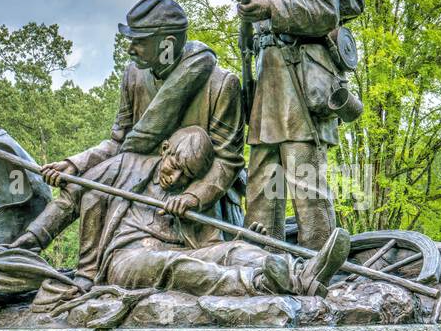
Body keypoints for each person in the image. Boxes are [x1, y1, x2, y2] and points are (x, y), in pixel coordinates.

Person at [11, 0, 245, 251]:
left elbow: (227, 160)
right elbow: (119, 142)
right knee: (86, 182)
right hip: (138, 174)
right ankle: (28, 245)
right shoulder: (133, 75)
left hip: (195, 193)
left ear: (167, 45)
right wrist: (75, 164)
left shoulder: (222, 85)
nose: (130, 49)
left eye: (139, 42)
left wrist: (193, 197)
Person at [70, 125, 350, 298]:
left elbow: (213, 246)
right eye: (174, 166)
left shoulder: (194, 195)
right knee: (176, 265)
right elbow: (84, 189)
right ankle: (259, 283)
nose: (176, 178)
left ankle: (303, 274)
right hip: (128, 258)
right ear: (164, 149)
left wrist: (244, 242)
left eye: (186, 175)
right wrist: (69, 166)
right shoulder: (128, 166)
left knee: (235, 250)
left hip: (181, 251)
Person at [238, 0, 344, 250]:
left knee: (305, 182)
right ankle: (254, 264)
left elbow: (324, 9)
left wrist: (269, 6)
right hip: (269, 68)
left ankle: (320, 267)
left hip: (300, 72)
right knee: (262, 179)